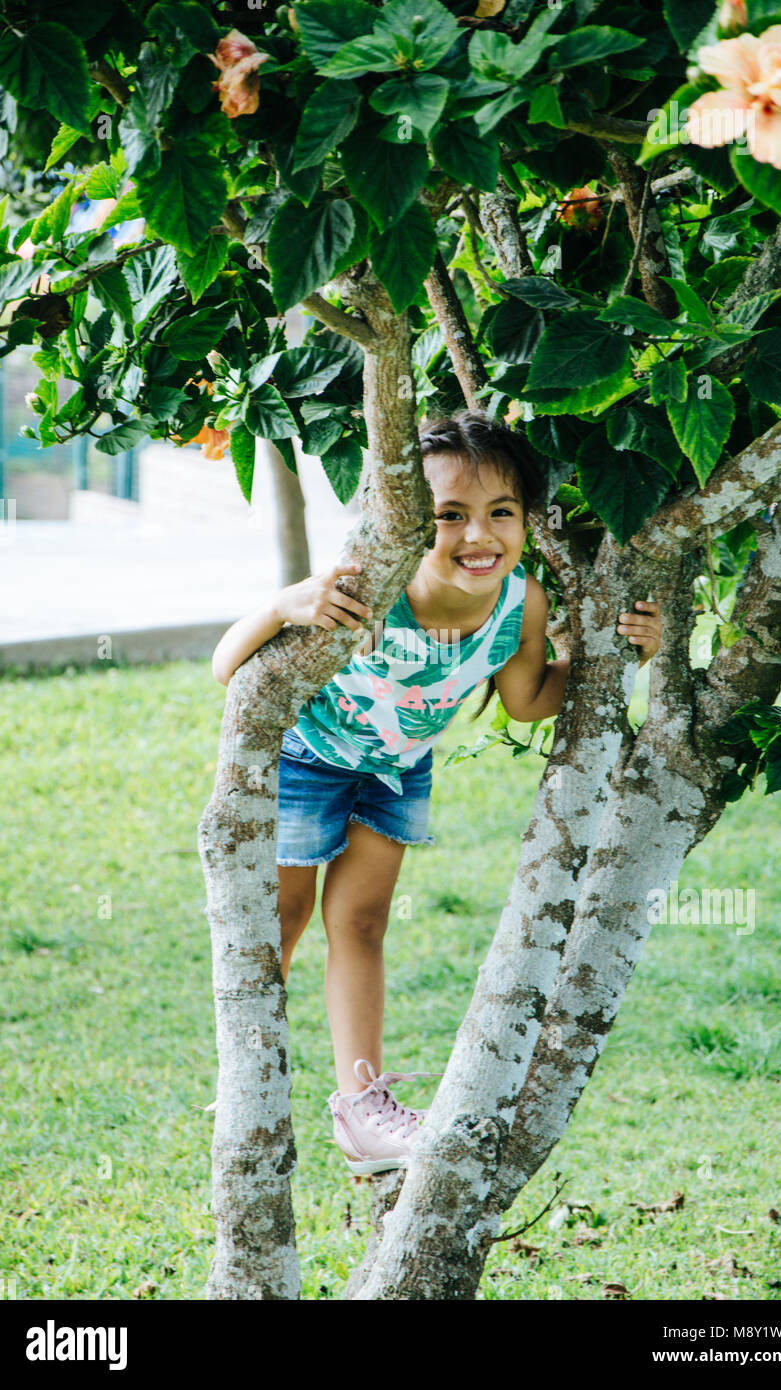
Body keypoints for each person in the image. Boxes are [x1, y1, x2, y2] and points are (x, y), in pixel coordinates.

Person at [211, 411, 663, 1174]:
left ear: (527, 520)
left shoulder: (521, 604)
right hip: (305, 760)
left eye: (500, 513)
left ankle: (361, 1111)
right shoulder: (367, 587)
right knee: (278, 920)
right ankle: (247, 1078)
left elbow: (527, 699)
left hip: (394, 772)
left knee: (359, 924)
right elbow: (229, 664)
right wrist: (287, 605)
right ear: (406, 521)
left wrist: (621, 653)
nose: (476, 535)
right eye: (448, 515)